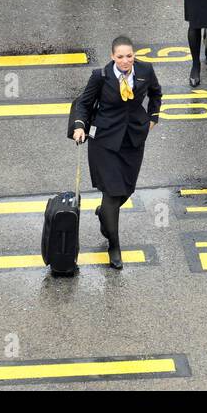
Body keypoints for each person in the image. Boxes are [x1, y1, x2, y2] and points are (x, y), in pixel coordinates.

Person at [68, 36, 163, 269]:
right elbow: (83, 103)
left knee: (127, 190)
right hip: (105, 142)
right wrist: (79, 126)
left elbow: (156, 93)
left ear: (134, 55)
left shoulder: (145, 70)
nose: (125, 61)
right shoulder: (100, 77)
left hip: (133, 139)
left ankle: (104, 214)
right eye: (120, 57)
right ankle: (114, 245)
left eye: (129, 56)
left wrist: (153, 118)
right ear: (112, 57)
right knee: (112, 193)